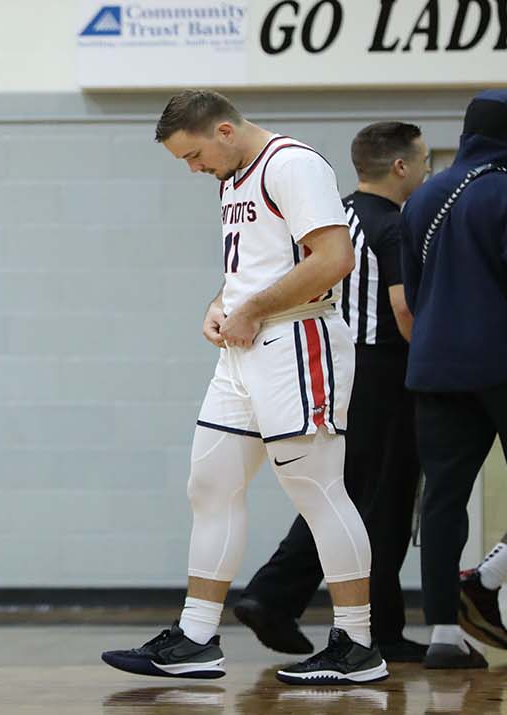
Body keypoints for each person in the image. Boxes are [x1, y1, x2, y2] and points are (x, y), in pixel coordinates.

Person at [101, 89, 387, 685]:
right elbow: (254, 264)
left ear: (225, 131)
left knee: (317, 490)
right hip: (244, 350)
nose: (192, 168)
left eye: (194, 154)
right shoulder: (232, 177)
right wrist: (219, 302)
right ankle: (197, 636)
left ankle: (358, 643)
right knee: (209, 485)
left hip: (298, 343)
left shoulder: (293, 164)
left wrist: (252, 306)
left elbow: (334, 258)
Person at [234, 122, 430, 663]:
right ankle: (292, 599)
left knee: (339, 492)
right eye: (423, 162)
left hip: (331, 355)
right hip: (386, 371)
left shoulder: (332, 214)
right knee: (381, 501)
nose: (426, 171)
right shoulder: (395, 225)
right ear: (400, 167)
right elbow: (403, 309)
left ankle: (284, 597)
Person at [400, 88, 507, 669]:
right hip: (500, 362)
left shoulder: (425, 195)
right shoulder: (504, 190)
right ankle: (487, 579)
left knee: (443, 501)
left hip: (436, 365)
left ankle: (444, 633)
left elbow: (415, 293)